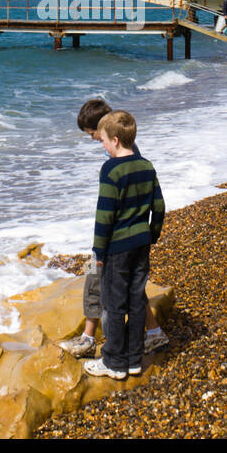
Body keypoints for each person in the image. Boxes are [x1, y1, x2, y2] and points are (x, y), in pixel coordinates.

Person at [61, 100, 168, 359]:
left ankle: (91, 340)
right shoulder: (132, 152)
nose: (95, 141)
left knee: (94, 280)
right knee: (131, 286)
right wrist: (150, 233)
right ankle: (153, 333)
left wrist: (99, 248)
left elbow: (109, 209)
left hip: (114, 238)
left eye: (93, 135)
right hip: (133, 236)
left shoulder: (116, 160)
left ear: (104, 129)